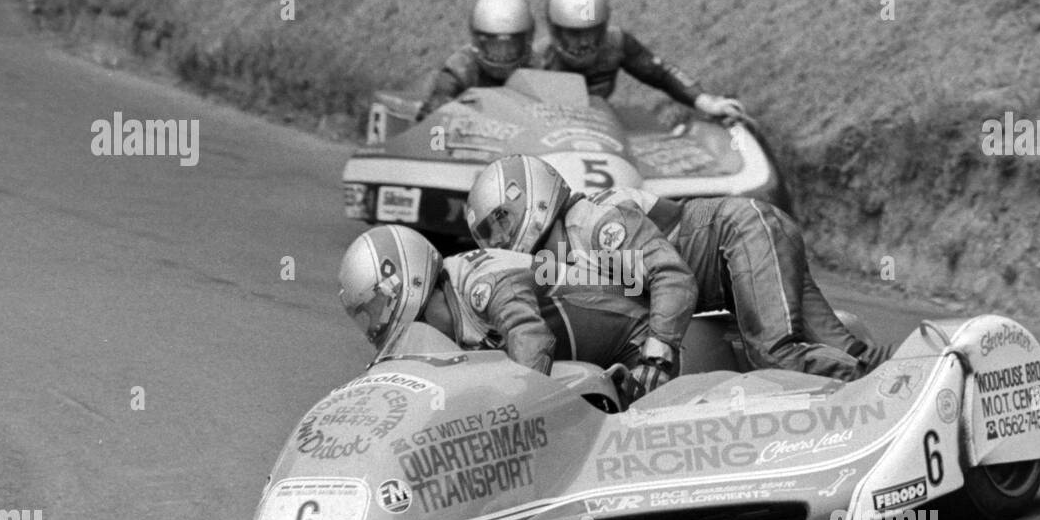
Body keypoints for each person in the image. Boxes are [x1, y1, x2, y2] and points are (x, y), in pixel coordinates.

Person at [592, 186, 897, 379]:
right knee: (842, 349)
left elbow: (672, 281)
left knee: (774, 355)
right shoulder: (587, 228)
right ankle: (900, 370)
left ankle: (893, 377)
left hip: (743, 234)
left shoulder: (600, 214)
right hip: (748, 238)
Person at [465, 154, 697, 402]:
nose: (498, 238)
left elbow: (672, 276)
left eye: (501, 219)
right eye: (488, 233)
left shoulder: (592, 223)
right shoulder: (544, 270)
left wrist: (655, 359)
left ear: (531, 192)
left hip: (685, 328)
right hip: (669, 330)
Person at [337, 225, 657, 386]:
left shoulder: (486, 282)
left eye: (375, 308)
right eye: (366, 317)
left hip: (637, 346)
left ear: (404, 284)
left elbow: (533, 343)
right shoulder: (443, 310)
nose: (375, 325)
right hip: (581, 367)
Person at [538, 0, 745, 119]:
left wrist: (707, 102)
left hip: (598, 129)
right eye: (574, 34)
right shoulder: (536, 59)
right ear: (556, 31)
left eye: (590, 33)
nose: (583, 43)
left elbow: (661, 74)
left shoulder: (617, 43)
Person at [418, 0, 535, 117]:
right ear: (477, 43)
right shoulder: (460, 71)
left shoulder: (537, 66)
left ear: (526, 41)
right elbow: (432, 125)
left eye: (511, 46)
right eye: (495, 47)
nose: (504, 54)